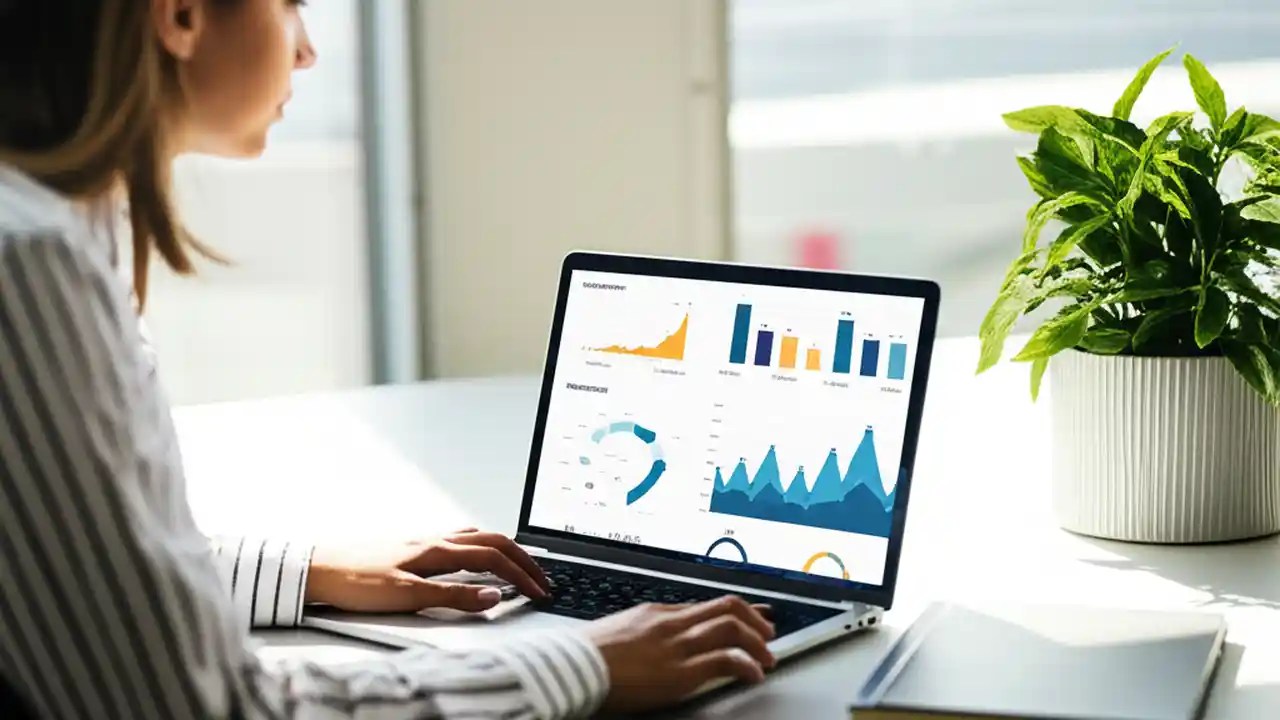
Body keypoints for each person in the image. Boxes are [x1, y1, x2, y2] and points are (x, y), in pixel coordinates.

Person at [0, 1, 777, 718]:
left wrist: (314, 572)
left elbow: (59, 571)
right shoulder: (30, 262)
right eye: (289, 5)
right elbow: (198, 707)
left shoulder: (60, 225)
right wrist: (581, 664)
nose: (304, 52)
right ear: (180, 15)